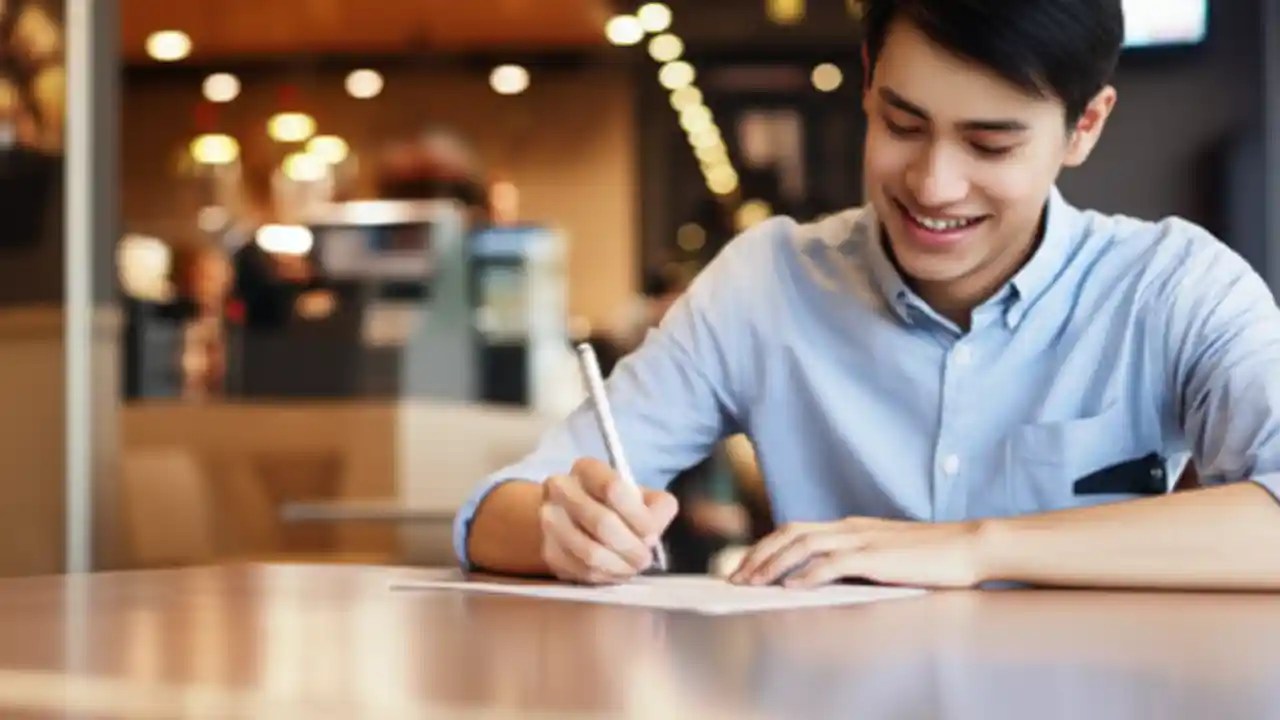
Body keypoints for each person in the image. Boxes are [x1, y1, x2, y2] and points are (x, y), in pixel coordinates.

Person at [453, 0, 1280, 590]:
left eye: (990, 143)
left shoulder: (1172, 289)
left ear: (1085, 126)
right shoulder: (765, 286)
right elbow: (497, 510)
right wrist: (567, 533)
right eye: (903, 125)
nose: (932, 183)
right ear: (866, 83)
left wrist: (974, 549)